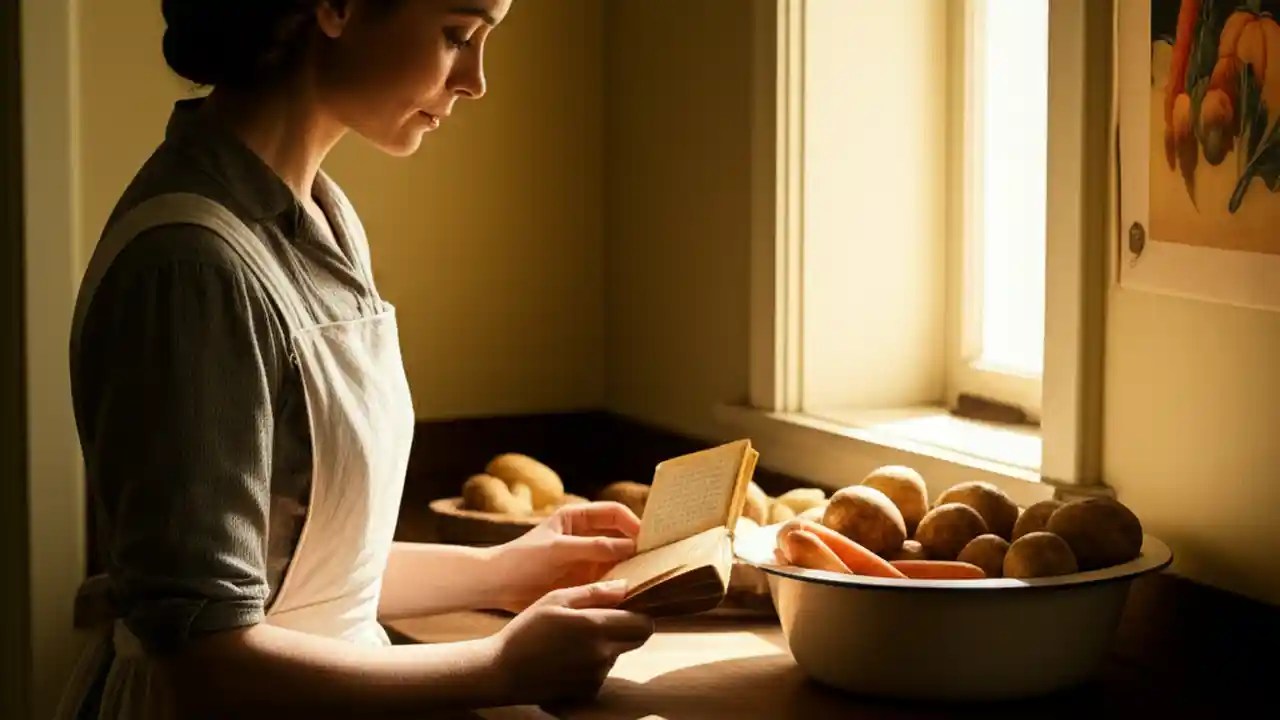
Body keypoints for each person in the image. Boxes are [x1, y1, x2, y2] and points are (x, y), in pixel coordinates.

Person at [55, 1, 655, 717]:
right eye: (458, 35)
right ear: (337, 7)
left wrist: (501, 571)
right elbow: (205, 660)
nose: (476, 80)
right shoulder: (191, 267)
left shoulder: (322, 217)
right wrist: (500, 667)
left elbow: (306, 580)